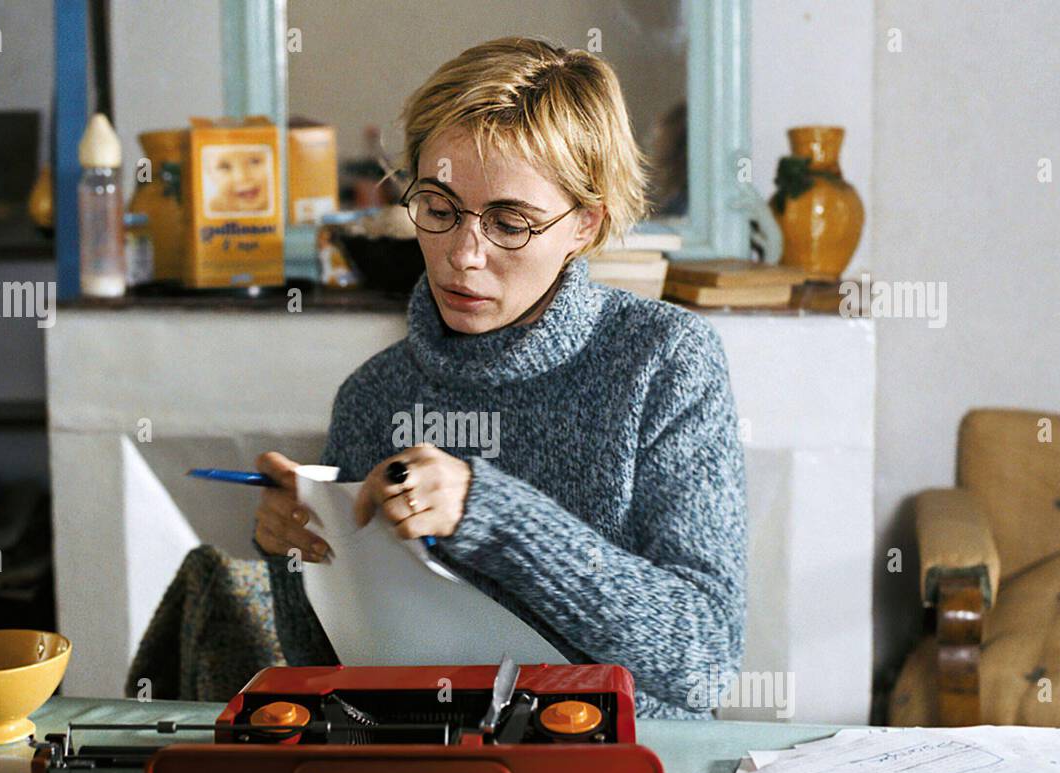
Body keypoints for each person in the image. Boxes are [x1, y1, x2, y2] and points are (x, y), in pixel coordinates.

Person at [252, 36, 747, 719]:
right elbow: (333, 677)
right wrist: (293, 554)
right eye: (439, 207)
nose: (463, 255)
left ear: (585, 224)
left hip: (614, 766)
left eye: (510, 222)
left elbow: (704, 663)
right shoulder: (374, 395)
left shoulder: (664, 363)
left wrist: (493, 516)